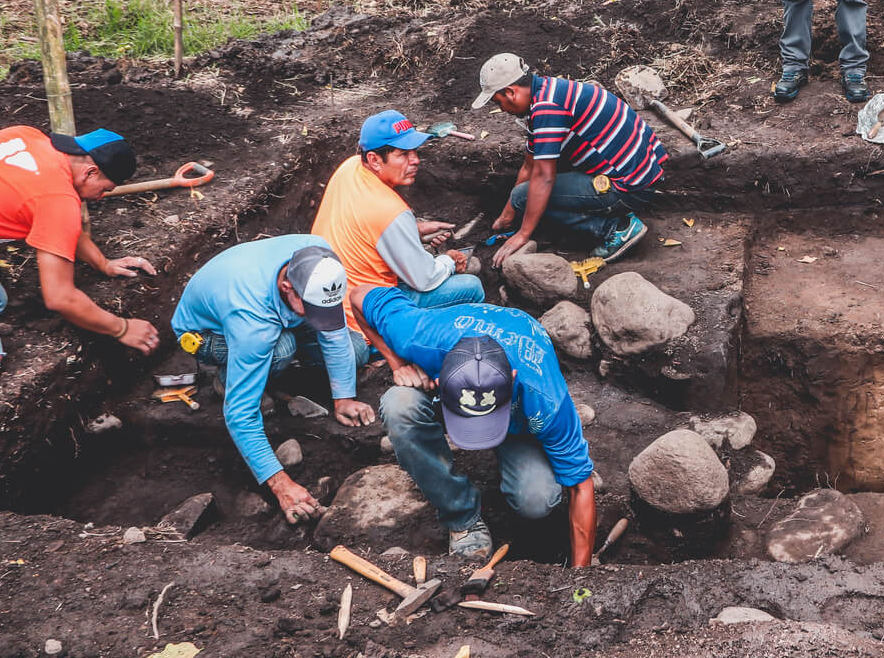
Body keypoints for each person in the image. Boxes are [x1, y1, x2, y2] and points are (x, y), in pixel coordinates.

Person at [351, 283, 596, 564]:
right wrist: (397, 364)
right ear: (441, 380)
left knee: (537, 500)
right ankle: (462, 519)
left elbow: (581, 485)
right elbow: (357, 296)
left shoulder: (544, 396)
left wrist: (582, 575)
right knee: (399, 405)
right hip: (451, 367)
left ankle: (514, 439)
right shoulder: (417, 334)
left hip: (520, 408)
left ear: (513, 378)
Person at [171, 236, 375, 522]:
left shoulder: (319, 259)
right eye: (313, 309)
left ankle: (263, 364)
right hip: (206, 334)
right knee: (281, 349)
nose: (320, 316)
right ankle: (226, 377)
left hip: (274, 312)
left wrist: (344, 398)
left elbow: (335, 335)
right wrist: (281, 485)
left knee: (355, 350)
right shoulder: (251, 320)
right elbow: (240, 415)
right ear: (286, 287)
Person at [0, 126, 159, 382]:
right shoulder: (57, 199)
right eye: (106, 188)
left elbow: (65, 229)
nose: (101, 197)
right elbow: (59, 297)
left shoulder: (28, 135)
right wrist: (121, 328)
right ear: (90, 171)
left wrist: (104, 264)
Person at [312, 109, 484, 356]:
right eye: (402, 154)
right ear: (374, 159)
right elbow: (425, 280)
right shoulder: (389, 211)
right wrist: (449, 259)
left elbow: (365, 226)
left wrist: (413, 231)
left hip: (328, 302)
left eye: (414, 152)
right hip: (360, 321)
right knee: (471, 287)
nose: (414, 160)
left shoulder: (349, 168)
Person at [473, 53, 666, 268]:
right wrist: (507, 215)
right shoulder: (549, 90)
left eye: (499, 103)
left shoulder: (547, 109)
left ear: (511, 92)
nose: (502, 110)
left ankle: (616, 228)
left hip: (630, 187)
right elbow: (530, 164)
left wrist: (523, 234)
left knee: (524, 196)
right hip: (644, 170)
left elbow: (544, 177)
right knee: (521, 199)